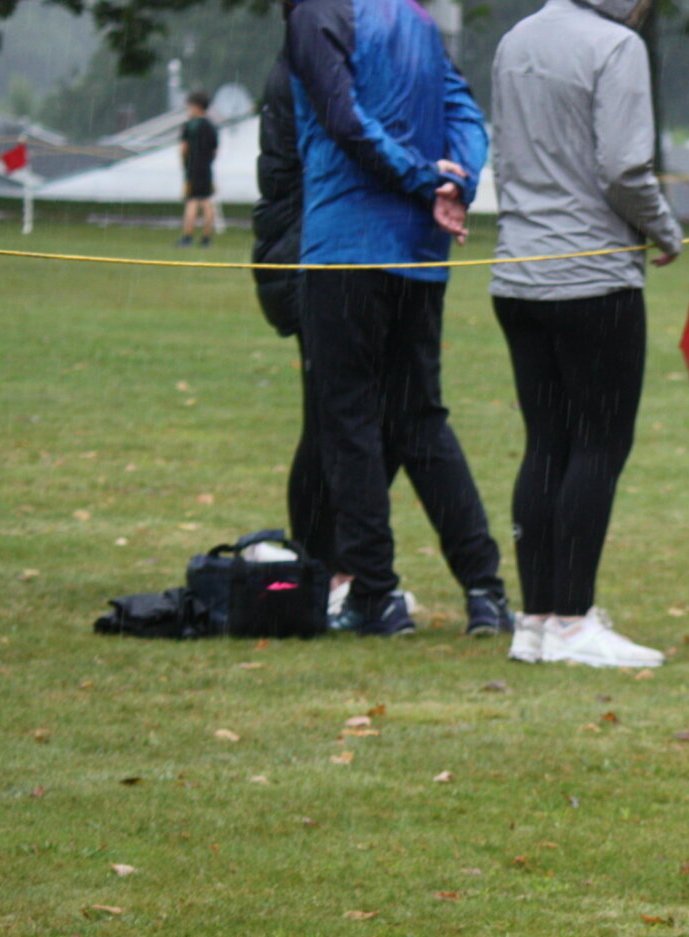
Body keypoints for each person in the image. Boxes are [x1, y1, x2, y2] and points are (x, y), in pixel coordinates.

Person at [287, 0, 511, 637]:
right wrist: (457, 182)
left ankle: (375, 594)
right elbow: (464, 112)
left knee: (349, 424)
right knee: (421, 420)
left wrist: (425, 181)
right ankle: (484, 590)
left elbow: (343, 118)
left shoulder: (318, 14)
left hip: (347, 249)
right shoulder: (417, 20)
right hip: (418, 253)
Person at [490, 0, 684, 669]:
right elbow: (624, 168)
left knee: (546, 442)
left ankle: (536, 620)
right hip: (593, 278)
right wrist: (665, 228)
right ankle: (572, 620)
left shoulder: (516, 39)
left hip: (517, 277)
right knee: (597, 444)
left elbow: (506, 151)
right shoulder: (616, 45)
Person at [176, 91, 219, 248]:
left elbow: (183, 148)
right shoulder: (211, 126)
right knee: (207, 201)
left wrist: (184, 164)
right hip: (206, 168)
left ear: (197, 106)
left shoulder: (189, 125)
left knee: (192, 201)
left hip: (192, 168)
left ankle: (187, 237)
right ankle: (206, 239)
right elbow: (215, 150)